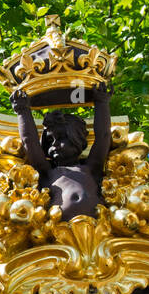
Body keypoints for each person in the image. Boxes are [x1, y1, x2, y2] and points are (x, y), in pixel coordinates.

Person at [10, 82, 112, 220]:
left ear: (79, 140)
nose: (55, 145)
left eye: (61, 138)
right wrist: (22, 110)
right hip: (59, 230)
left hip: (97, 229)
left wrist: (102, 102)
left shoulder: (92, 168)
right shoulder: (47, 172)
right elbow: (29, 141)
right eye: (50, 141)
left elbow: (103, 137)